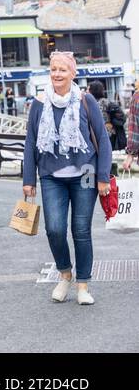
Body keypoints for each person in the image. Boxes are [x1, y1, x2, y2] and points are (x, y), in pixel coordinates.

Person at [23, 52, 112, 305]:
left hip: (85, 173)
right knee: (54, 229)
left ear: (73, 73)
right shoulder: (39, 103)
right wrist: (28, 179)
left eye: (63, 69)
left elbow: (102, 140)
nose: (57, 74)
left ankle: (83, 285)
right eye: (53, 69)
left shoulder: (86, 100)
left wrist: (103, 176)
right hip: (51, 175)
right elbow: (30, 142)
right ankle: (65, 274)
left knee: (81, 230)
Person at [90, 81, 127, 152]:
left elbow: (121, 116)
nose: (87, 91)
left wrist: (111, 122)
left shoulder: (103, 102)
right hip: (104, 134)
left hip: (105, 134)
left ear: (93, 90)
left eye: (89, 89)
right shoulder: (102, 102)